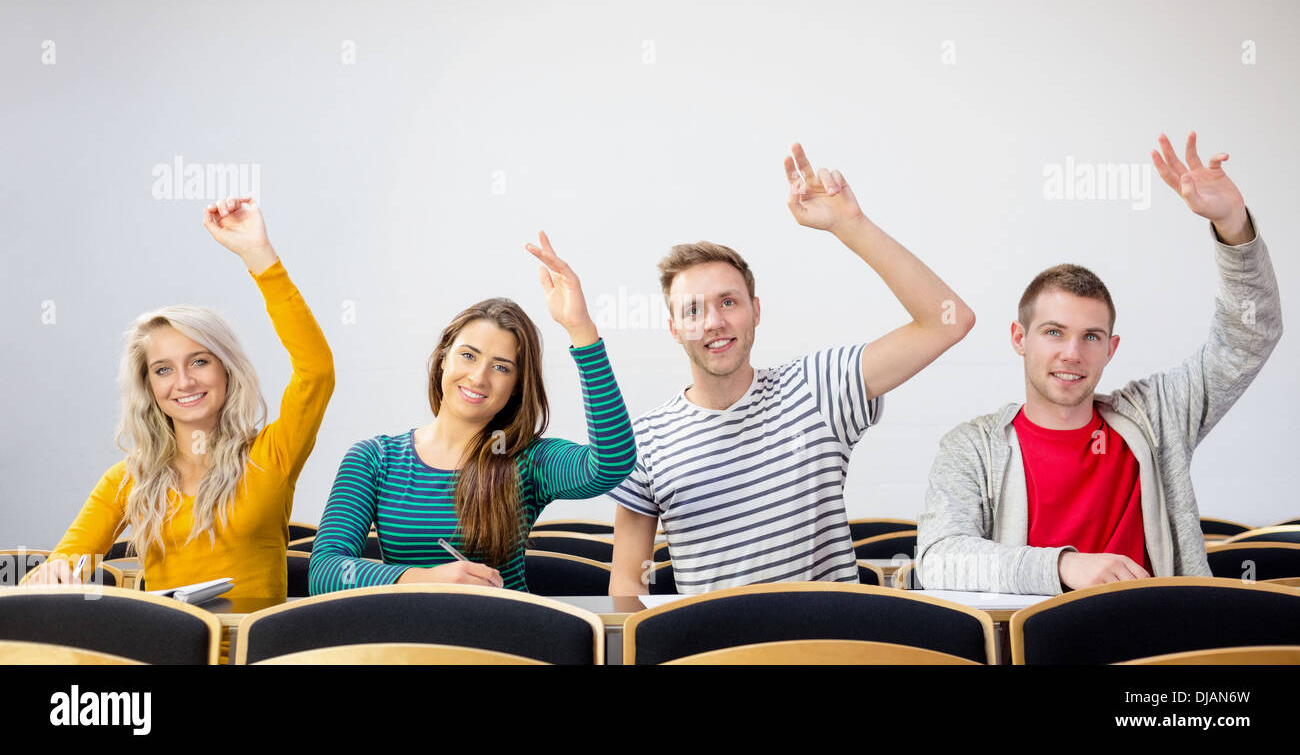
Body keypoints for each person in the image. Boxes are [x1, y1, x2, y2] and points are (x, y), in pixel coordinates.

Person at [916, 132, 1282, 595]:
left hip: (1162, 645)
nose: (1072, 353)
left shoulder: (1156, 418)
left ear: (1111, 349)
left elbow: (1249, 338)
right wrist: (1064, 567)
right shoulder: (972, 448)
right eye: (1053, 332)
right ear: (1019, 338)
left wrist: (1233, 224)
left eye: (1091, 337)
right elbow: (939, 560)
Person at [608, 143, 976, 594]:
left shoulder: (817, 388)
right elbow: (627, 584)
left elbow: (949, 320)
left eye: (729, 302)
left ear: (755, 311)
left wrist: (851, 226)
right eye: (693, 310)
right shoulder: (646, 439)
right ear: (674, 328)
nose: (714, 322)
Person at [29, 198, 335, 598]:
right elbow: (68, 560)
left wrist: (259, 258)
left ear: (226, 368)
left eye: (199, 361)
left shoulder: (271, 455)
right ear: (150, 387)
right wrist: (52, 573)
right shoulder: (127, 480)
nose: (184, 382)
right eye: (163, 370)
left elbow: (316, 371)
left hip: (258, 654)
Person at [309, 232, 635, 594]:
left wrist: (581, 330)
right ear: (443, 357)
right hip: (405, 641)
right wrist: (422, 579)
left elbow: (612, 463)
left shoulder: (526, 459)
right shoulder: (374, 459)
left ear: (516, 387)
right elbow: (325, 570)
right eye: (468, 355)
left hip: (502, 640)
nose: (478, 377)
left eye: (501, 367)